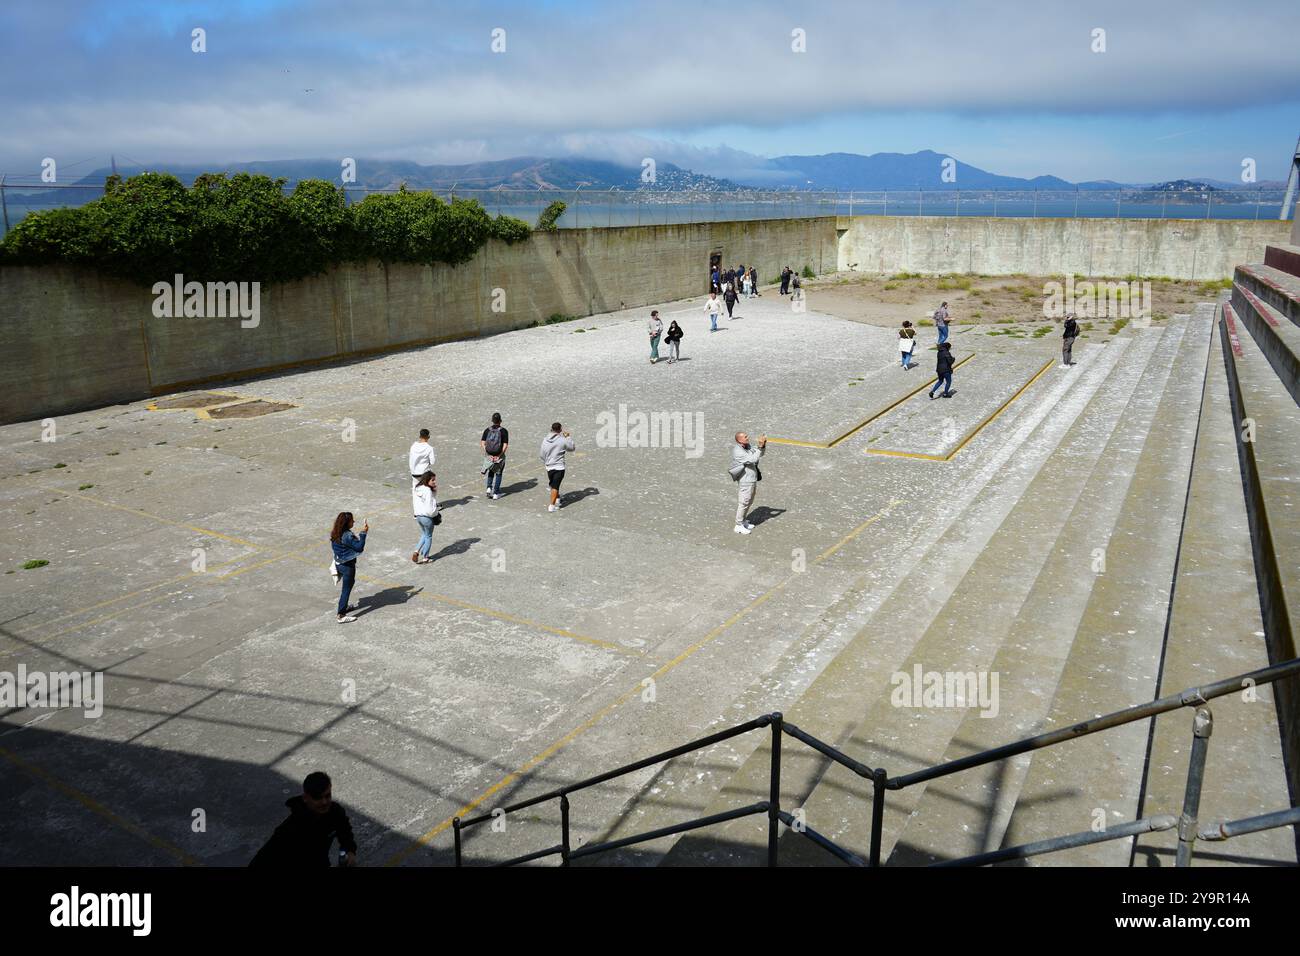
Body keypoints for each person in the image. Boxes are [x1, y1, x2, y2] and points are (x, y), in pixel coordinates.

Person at [250, 771, 358, 868]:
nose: (324, 802)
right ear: (305, 798)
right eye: (317, 798)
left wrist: (350, 850)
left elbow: (345, 832)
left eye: (327, 795)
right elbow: (264, 857)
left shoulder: (335, 812)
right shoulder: (291, 829)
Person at [330, 512, 367, 622]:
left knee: (347, 587)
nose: (354, 522)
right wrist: (363, 533)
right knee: (346, 589)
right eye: (352, 520)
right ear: (346, 523)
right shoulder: (347, 536)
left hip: (339, 563)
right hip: (347, 566)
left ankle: (344, 607)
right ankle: (341, 615)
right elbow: (359, 547)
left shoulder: (335, 532)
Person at [730, 432, 766, 534]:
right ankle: (738, 525)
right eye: (745, 437)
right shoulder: (738, 451)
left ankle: (743, 521)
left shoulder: (747, 446)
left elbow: (759, 454)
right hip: (745, 481)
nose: (747, 438)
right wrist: (759, 446)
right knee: (744, 502)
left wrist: (762, 446)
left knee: (749, 501)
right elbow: (753, 459)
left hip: (751, 479)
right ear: (739, 440)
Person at [540, 422, 575, 512]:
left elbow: (542, 454)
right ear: (560, 430)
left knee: (553, 484)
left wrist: (546, 462)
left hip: (549, 466)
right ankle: (551, 506)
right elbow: (571, 448)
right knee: (555, 486)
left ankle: (558, 498)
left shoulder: (545, 439)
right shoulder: (562, 440)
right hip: (559, 467)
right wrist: (568, 437)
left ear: (551, 429)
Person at [411, 471, 438, 564]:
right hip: (427, 517)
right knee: (429, 536)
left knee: (424, 534)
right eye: (433, 480)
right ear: (427, 480)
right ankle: (425, 557)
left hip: (418, 516)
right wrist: (436, 514)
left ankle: (416, 551)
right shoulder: (427, 491)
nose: (435, 482)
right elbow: (430, 507)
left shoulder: (418, 488)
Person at [481, 412, 509, 498]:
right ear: (500, 421)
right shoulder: (503, 431)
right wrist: (500, 454)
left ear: (492, 420)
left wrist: (488, 453)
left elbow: (482, 442)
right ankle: (496, 493)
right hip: (499, 455)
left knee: (491, 470)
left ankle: (489, 488)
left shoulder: (487, 430)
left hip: (489, 454)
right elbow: (505, 445)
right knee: (498, 473)